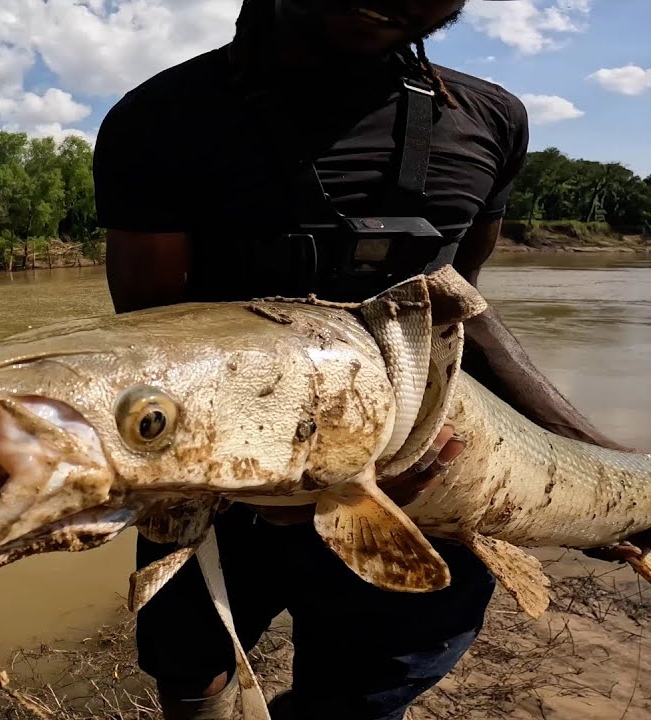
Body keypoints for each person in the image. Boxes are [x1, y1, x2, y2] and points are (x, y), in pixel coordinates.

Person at [92, 1, 638, 718]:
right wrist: (270, 484)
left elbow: (458, 304)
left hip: (424, 483)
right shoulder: (162, 115)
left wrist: (601, 468)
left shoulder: (492, 116)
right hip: (224, 484)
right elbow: (156, 339)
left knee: (365, 693)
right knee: (193, 670)